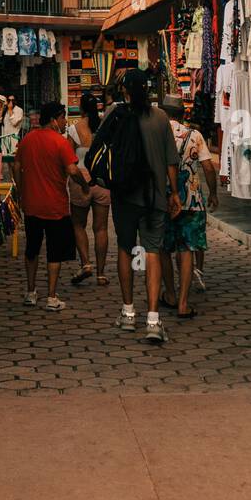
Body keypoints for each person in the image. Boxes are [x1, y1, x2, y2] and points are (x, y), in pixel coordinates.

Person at [90, 68, 180, 343]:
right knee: (153, 251)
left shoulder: (114, 115)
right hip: (154, 198)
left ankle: (128, 313)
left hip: (124, 197)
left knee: (126, 250)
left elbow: (97, 151)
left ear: (125, 91)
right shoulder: (161, 118)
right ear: (149, 90)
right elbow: (170, 162)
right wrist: (173, 193)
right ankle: (153, 320)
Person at [12, 100, 90, 310]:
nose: (65, 122)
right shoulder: (59, 142)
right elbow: (73, 171)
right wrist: (84, 186)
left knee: (32, 249)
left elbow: (16, 164)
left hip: (32, 205)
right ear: (54, 120)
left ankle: (30, 292)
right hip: (55, 206)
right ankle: (52, 296)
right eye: (63, 117)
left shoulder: (28, 140)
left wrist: (21, 190)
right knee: (54, 252)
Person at [160, 94, 218, 319]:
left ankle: (171, 294)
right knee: (187, 250)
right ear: (182, 114)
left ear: (164, 113)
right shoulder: (195, 136)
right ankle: (184, 303)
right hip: (192, 201)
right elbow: (208, 167)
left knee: (164, 248)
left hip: (164, 200)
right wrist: (213, 193)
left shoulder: (158, 134)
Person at [67, 92, 111, 286]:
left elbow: (69, 160)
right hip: (102, 183)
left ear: (81, 109)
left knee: (78, 225)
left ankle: (86, 263)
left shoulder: (74, 130)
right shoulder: (105, 127)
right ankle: (101, 273)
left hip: (80, 182)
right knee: (101, 228)